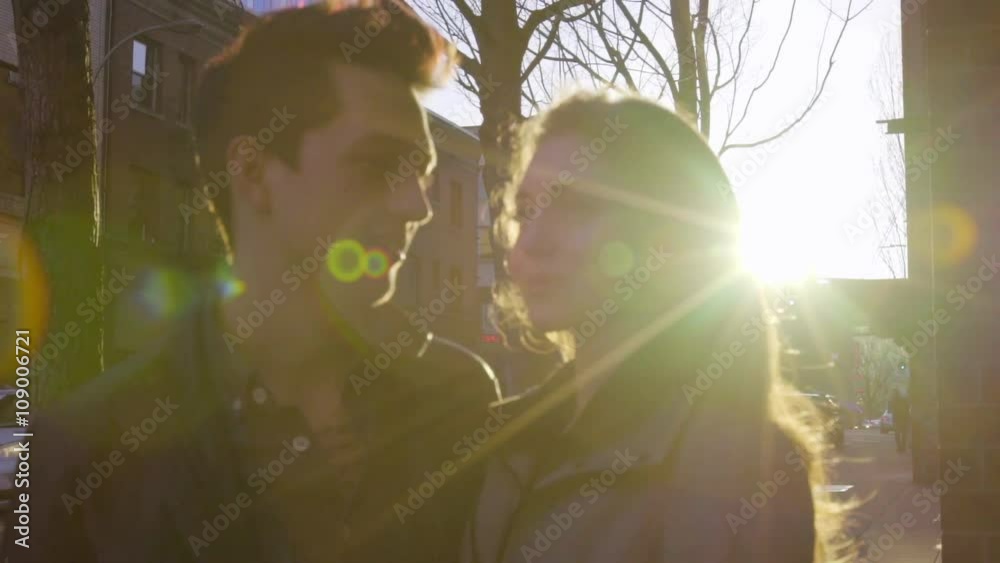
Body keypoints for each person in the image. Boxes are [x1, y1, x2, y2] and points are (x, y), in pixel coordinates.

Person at [13, 3, 498, 562]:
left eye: (422, 173)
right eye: (379, 165)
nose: (418, 206)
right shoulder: (79, 450)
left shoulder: (460, 401)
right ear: (252, 172)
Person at [461, 92, 845, 563]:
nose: (533, 243)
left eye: (576, 205)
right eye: (525, 212)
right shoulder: (507, 440)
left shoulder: (739, 464)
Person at [889, 388, 911, 452]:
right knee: (904, 433)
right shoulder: (904, 400)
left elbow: (891, 409)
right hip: (904, 418)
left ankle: (899, 447)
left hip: (897, 418)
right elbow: (908, 407)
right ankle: (903, 447)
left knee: (897, 433)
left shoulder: (894, 400)